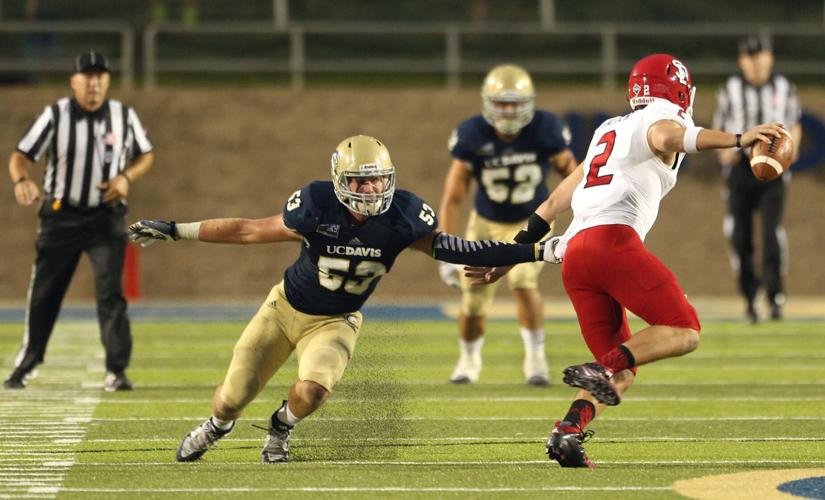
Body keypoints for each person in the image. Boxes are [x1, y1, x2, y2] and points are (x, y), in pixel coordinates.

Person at [128, 135, 559, 463]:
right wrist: (175, 229)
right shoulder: (316, 206)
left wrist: (534, 250)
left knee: (313, 390)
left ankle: (280, 426)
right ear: (340, 181)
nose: (371, 189)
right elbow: (248, 230)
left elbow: (463, 249)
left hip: (336, 320)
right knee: (231, 398)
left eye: (377, 179)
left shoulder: (404, 217)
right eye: (360, 180)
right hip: (283, 310)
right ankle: (216, 427)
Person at [465, 54, 785, 468]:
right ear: (679, 89)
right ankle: (600, 369)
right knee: (684, 331)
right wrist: (739, 139)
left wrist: (512, 254)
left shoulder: (609, 129)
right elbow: (670, 136)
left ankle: (567, 433)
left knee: (621, 372)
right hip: (612, 243)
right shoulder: (663, 117)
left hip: (576, 259)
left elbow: (553, 201)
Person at [4, 50, 154, 391]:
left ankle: (116, 370)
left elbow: (146, 154)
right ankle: (26, 364)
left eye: (101, 76)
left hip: (106, 218)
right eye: (88, 76)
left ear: (108, 81)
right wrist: (21, 180)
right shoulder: (55, 115)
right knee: (44, 293)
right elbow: (20, 156)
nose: (94, 83)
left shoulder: (122, 115)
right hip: (61, 217)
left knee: (110, 293)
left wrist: (126, 179)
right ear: (74, 81)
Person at [438, 64, 576, 386]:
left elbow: (574, 176)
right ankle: (469, 360)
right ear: (489, 103)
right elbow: (453, 196)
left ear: (528, 102)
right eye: (502, 103)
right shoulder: (473, 134)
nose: (509, 110)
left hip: (532, 222)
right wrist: (445, 249)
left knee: (524, 284)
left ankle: (535, 359)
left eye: (515, 103)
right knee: (473, 298)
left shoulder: (546, 129)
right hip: (485, 223)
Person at [711, 35, 802, 323]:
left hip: (774, 168)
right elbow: (720, 123)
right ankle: (750, 297)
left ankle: (775, 295)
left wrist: (792, 148)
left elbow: (795, 122)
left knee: (772, 231)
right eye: (750, 56)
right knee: (740, 235)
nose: (756, 61)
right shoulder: (730, 88)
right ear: (742, 61)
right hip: (740, 165)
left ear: (770, 57)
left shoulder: (784, 87)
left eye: (760, 54)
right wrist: (724, 151)